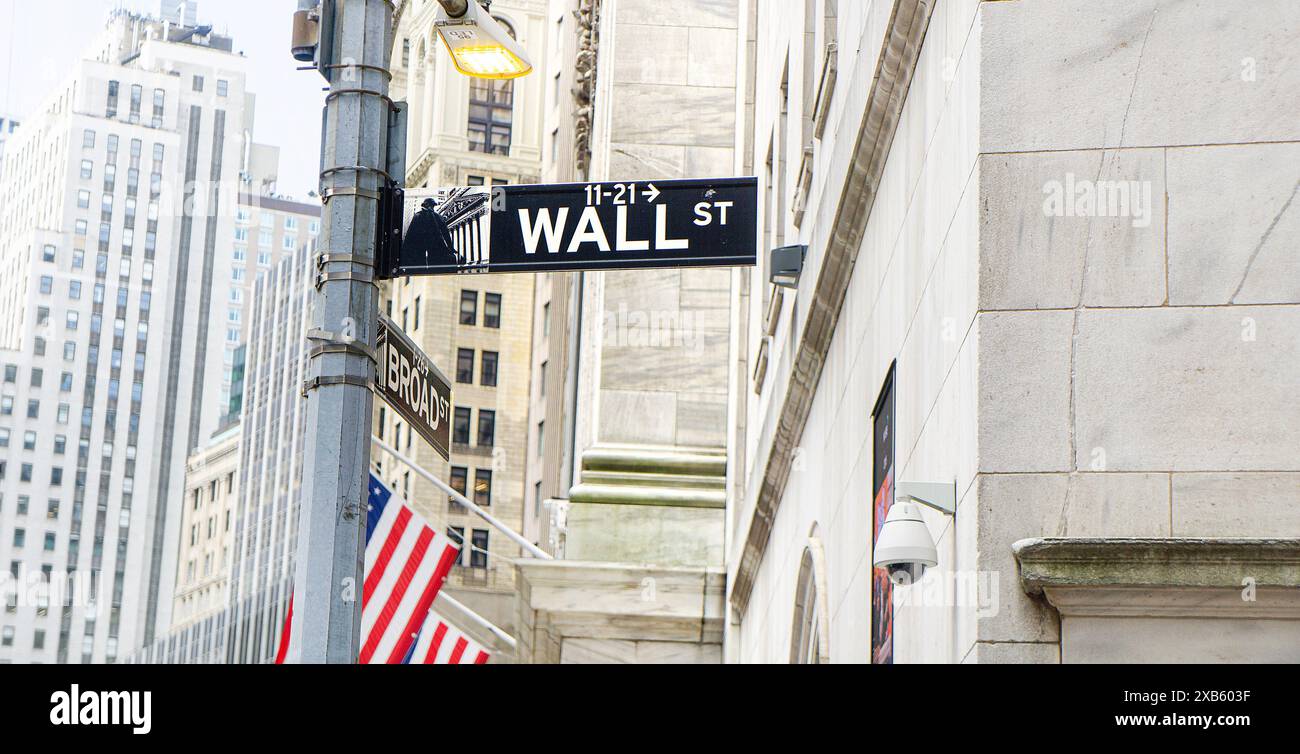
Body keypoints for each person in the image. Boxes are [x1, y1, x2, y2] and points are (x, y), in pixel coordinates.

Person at [404, 197, 459, 269]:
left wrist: (450, 247)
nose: (432, 207)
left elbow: (445, 233)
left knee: (434, 264)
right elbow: (410, 234)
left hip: (432, 245)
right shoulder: (420, 216)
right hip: (422, 245)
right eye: (431, 205)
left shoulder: (436, 216)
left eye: (432, 206)